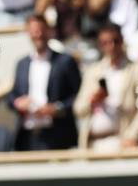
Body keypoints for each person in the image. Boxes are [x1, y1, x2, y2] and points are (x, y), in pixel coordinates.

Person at [7, 14, 83, 151]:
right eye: (34, 31)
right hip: (27, 136)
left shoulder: (65, 62)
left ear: (48, 31)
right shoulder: (22, 64)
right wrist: (18, 103)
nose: (38, 35)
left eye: (41, 30)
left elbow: (78, 95)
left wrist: (57, 109)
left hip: (57, 135)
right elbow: (12, 96)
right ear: (28, 33)